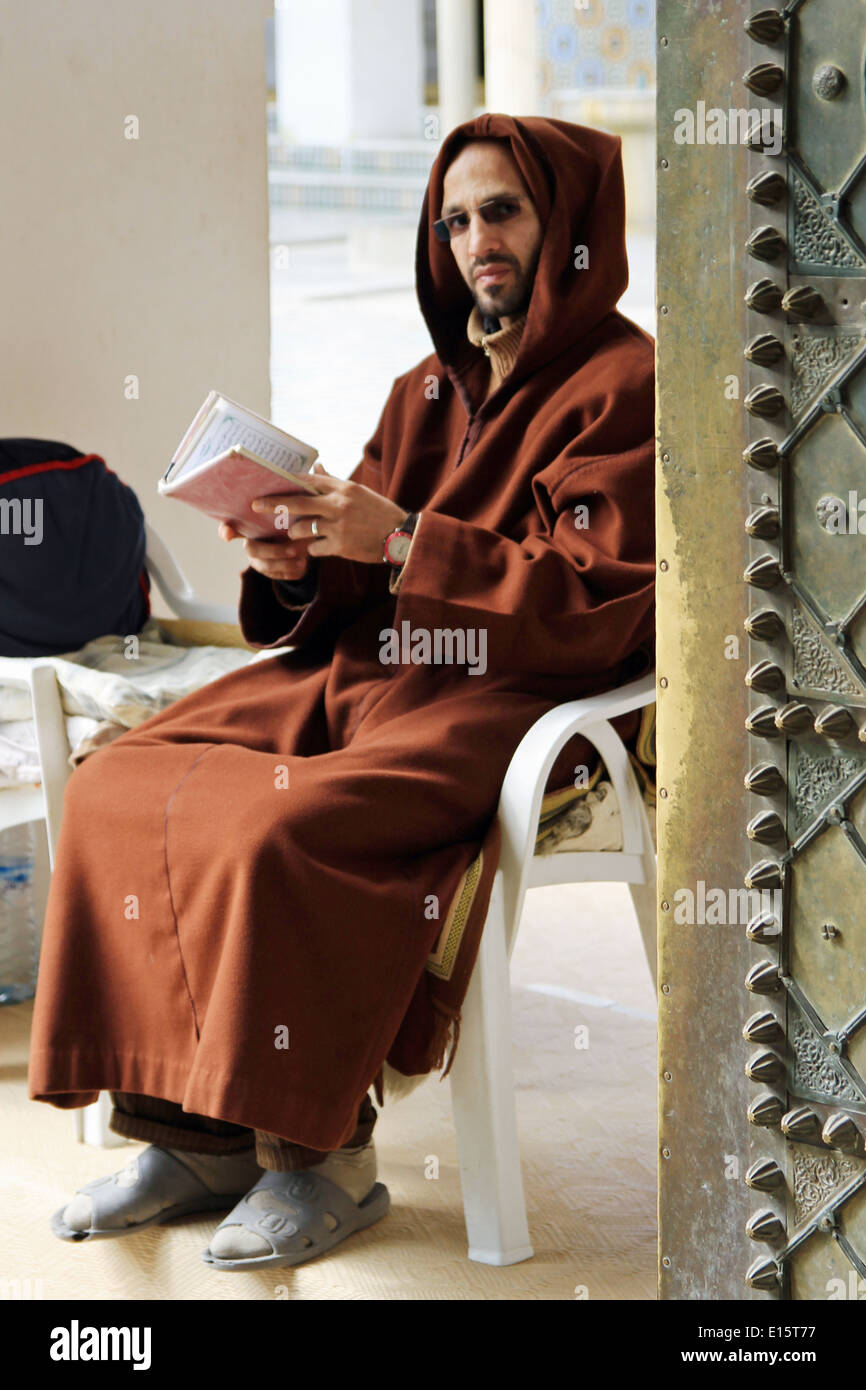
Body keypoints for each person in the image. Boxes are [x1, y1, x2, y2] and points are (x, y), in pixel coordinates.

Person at [27, 113, 655, 1271]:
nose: (478, 241)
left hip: (501, 696)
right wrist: (298, 558)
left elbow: (599, 600)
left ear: (567, 223)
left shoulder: (626, 382)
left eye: (503, 211)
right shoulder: (427, 386)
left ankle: (316, 1158)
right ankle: (191, 1131)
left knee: (279, 824)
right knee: (123, 777)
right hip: (365, 665)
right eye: (456, 219)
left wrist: (408, 539)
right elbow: (358, 542)